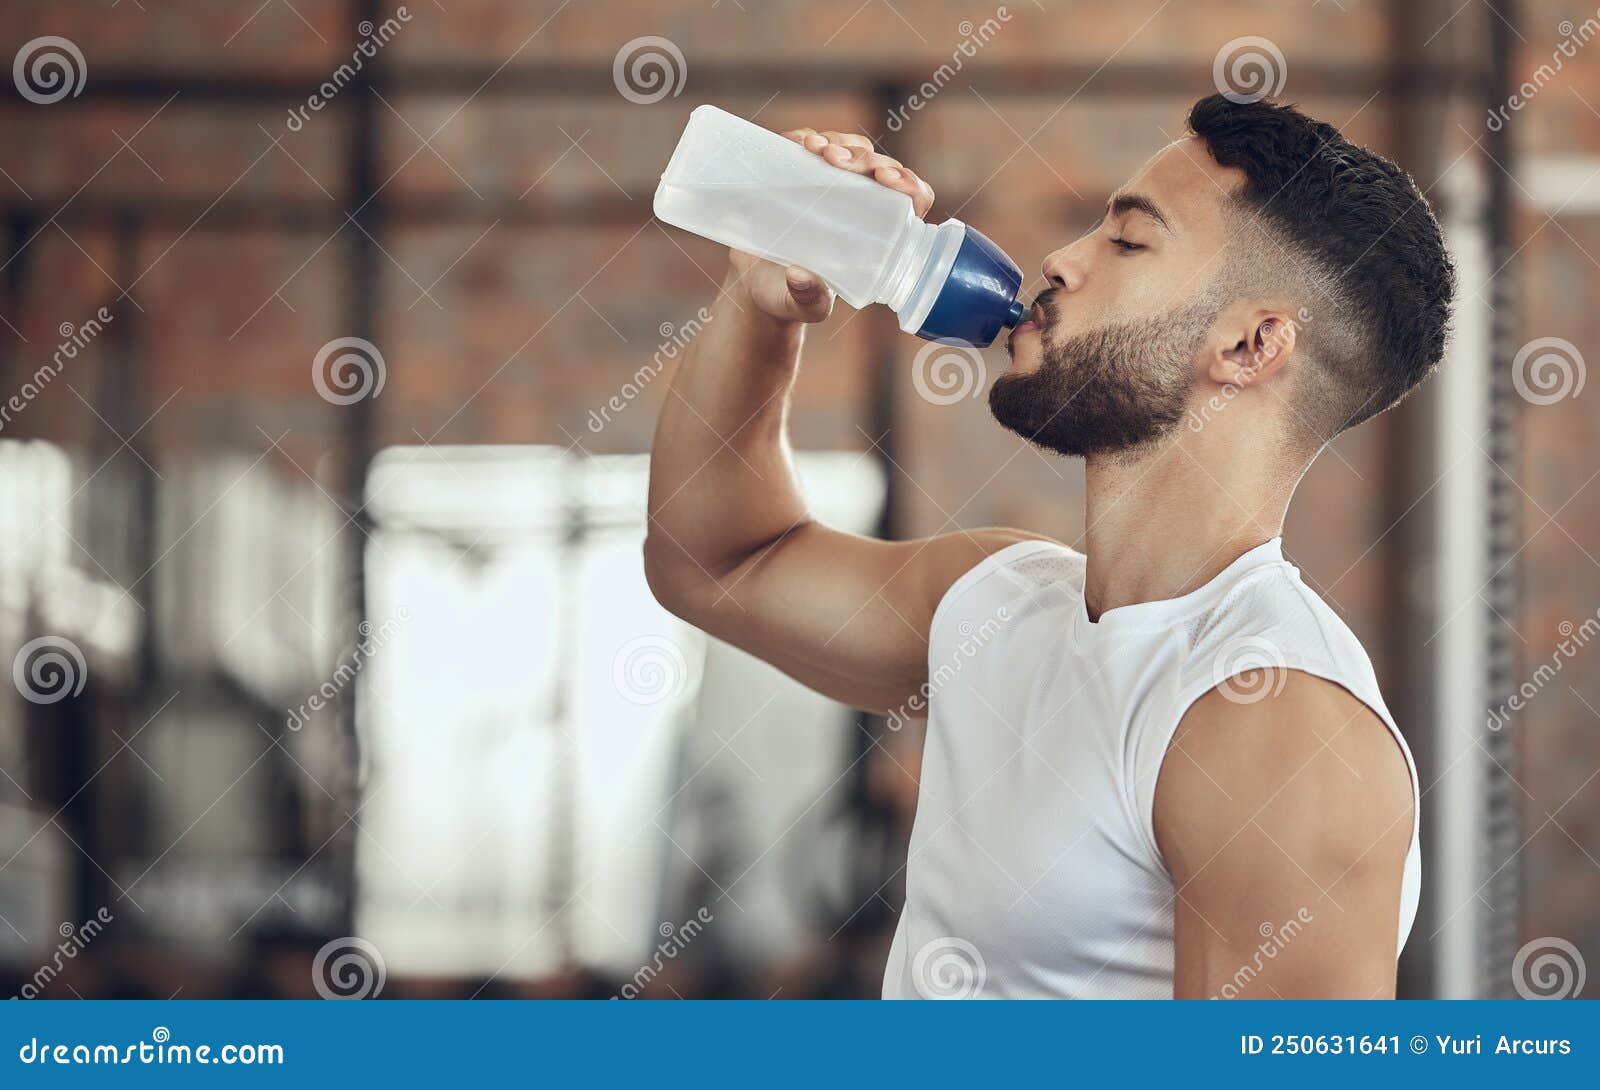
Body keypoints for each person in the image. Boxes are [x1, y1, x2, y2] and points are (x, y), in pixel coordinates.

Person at [643, 94, 1455, 999]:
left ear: (1252, 344)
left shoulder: (1281, 728)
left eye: (1128, 241)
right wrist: (763, 302)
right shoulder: (1001, 603)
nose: (1060, 260)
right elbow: (715, 563)